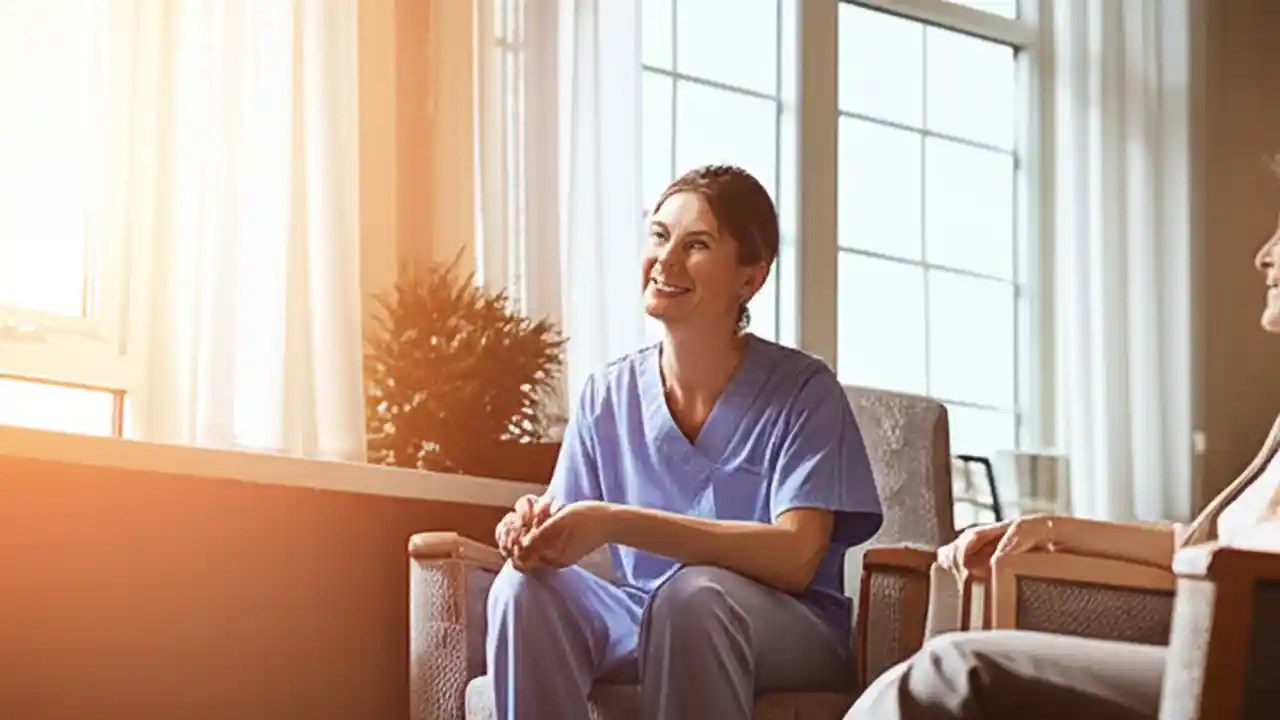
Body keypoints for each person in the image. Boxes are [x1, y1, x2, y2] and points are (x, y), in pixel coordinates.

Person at [847, 201, 1280, 719]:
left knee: (952, 672)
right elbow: (1196, 543)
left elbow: (1233, 564)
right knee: (934, 667)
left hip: (1254, 675)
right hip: (1216, 655)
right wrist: (1049, 527)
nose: (1263, 256)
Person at [484, 165, 884, 720]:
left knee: (692, 600)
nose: (667, 260)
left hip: (786, 628)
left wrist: (614, 522)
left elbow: (795, 558)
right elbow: (563, 516)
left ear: (750, 278)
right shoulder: (607, 393)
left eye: (696, 244)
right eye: (659, 235)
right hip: (643, 612)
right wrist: (529, 528)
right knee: (521, 591)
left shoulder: (804, 392)